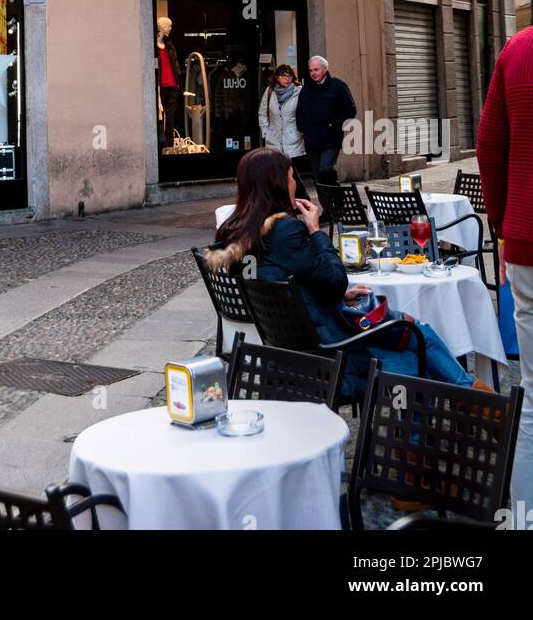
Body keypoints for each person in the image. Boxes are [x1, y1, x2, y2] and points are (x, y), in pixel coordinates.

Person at [206, 147, 489, 402]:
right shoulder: (286, 231)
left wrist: (340, 296)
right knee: (419, 347)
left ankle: (470, 403)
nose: (294, 184)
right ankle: (476, 403)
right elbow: (334, 281)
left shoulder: (235, 235)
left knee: (416, 337)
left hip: (287, 351)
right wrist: (315, 231)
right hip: (330, 354)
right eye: (292, 177)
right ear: (278, 183)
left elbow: (292, 284)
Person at [477, 25, 533, 511]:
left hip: (526, 243)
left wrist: (501, 226)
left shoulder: (518, 49)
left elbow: (489, 146)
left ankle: (525, 518)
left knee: (532, 397)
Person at [296, 54, 356, 193]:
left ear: (325, 69)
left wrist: (334, 124)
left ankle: (337, 201)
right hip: (312, 139)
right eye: (311, 70)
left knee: (325, 170)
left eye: (316, 70)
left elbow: (350, 109)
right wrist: (303, 127)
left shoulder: (338, 86)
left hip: (331, 138)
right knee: (317, 176)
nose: (313, 73)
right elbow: (299, 111)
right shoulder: (306, 89)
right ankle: (327, 205)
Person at [258, 64, 306, 173]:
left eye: (289, 76)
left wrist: (301, 131)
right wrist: (265, 132)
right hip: (273, 139)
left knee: (290, 172)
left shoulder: (299, 91)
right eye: (284, 76)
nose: (287, 79)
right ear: (277, 77)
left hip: (293, 139)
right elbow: (262, 113)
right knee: (277, 172)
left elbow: (305, 112)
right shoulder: (270, 91)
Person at [156, 16, 182, 147]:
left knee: (170, 118)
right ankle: (160, 145)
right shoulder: (153, 46)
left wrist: (178, 81)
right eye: (169, 26)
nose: (171, 28)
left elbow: (175, 63)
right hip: (160, 87)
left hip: (173, 86)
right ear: (163, 27)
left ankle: (169, 146)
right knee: (159, 116)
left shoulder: (169, 45)